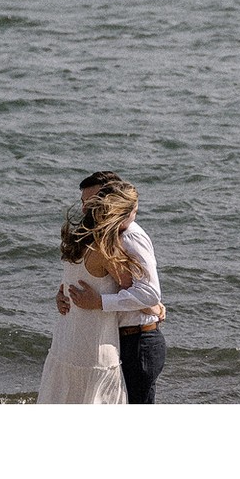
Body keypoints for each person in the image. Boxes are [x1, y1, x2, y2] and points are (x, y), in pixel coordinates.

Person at [55, 171, 166, 403]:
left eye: (93, 201)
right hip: (118, 339)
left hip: (138, 342)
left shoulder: (130, 236)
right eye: (85, 202)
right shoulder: (103, 236)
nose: (86, 209)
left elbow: (149, 292)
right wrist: (63, 292)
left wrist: (151, 306)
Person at [35, 188, 133, 404]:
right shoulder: (104, 249)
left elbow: (67, 283)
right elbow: (130, 287)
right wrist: (155, 307)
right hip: (95, 343)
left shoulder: (75, 243)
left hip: (66, 338)